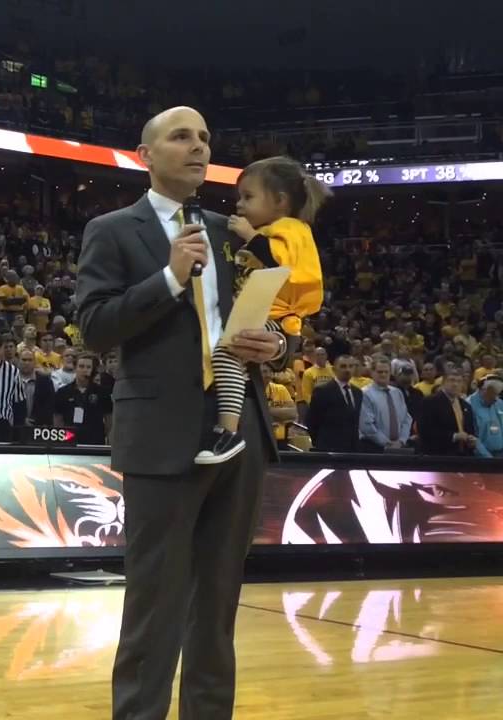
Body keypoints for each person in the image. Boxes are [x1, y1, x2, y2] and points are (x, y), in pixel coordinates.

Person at [72, 107, 288, 720]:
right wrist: (168, 279)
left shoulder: (233, 229)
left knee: (218, 606)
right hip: (161, 436)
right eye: (182, 137)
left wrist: (276, 344)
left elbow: (275, 313)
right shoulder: (113, 230)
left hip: (240, 427)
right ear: (146, 154)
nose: (198, 147)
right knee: (155, 604)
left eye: (205, 139)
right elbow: (94, 329)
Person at [194, 157, 328, 462]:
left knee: (227, 352)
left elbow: (274, 261)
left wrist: (248, 235)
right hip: (269, 309)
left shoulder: (288, 229)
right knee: (232, 358)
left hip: (276, 313)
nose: (240, 205)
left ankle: (227, 431)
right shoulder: (281, 227)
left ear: (280, 201)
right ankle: (228, 429)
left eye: (248, 197)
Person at [306, 355, 362, 453]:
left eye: (351, 366)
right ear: (334, 369)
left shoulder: (358, 393)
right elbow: (312, 420)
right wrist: (319, 443)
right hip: (328, 448)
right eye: (343, 366)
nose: (347, 370)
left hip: (352, 449)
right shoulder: (322, 391)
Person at [53, 353, 111, 444]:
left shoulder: (102, 392)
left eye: (88, 367)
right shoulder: (63, 392)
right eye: (81, 366)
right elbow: (58, 418)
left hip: (95, 440)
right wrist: (60, 440)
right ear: (75, 368)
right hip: (70, 440)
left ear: (92, 370)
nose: (84, 370)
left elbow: (109, 419)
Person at [418, 370, 478, 456]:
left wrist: (471, 440)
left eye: (459, 381)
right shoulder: (430, 402)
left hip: (463, 456)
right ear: (443, 383)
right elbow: (425, 431)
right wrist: (454, 436)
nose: (455, 384)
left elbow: (469, 430)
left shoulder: (466, 405)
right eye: (452, 380)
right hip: (438, 455)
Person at [358, 358, 413, 452]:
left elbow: (406, 419)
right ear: (372, 373)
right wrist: (387, 443)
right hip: (373, 447)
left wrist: (401, 441)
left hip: (399, 447)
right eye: (380, 372)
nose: (383, 374)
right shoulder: (365, 394)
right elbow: (367, 426)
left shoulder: (397, 392)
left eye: (386, 372)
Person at [468, 375, 503, 458]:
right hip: (481, 457)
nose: (495, 398)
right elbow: (472, 438)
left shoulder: (499, 403)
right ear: (483, 390)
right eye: (493, 394)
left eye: (497, 394)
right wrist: (488, 458)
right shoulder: (469, 405)